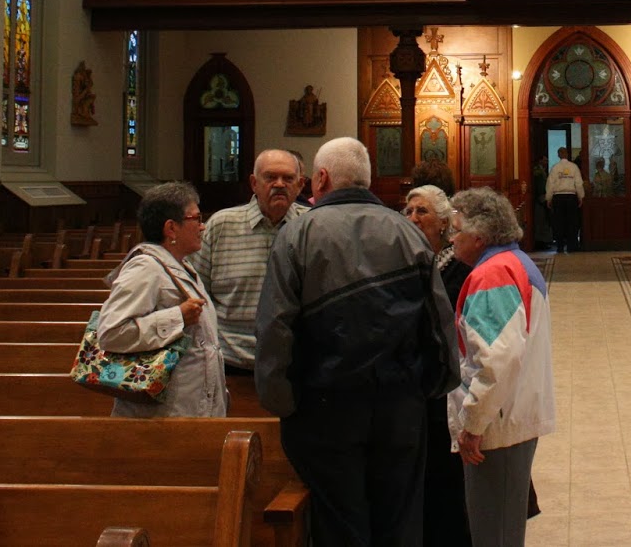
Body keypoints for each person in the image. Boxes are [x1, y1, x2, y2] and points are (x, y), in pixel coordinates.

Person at [255, 137, 460, 547]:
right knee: (400, 522)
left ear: (322, 178)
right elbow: (439, 325)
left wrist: (284, 403)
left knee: (340, 526)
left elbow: (276, 328)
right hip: (400, 406)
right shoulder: (407, 232)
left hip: (325, 408)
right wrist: (428, 388)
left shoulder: (298, 235)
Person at [447, 188, 555, 547]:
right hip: (509, 414)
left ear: (479, 235)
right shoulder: (515, 262)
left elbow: (498, 359)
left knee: (494, 534)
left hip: (497, 423)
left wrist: (473, 424)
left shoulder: (494, 274)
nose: (451, 238)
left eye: (455, 229)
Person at [99, 181, 227, 417]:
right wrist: (177, 316)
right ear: (171, 228)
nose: (202, 226)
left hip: (188, 407)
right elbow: (111, 332)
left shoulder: (181, 264)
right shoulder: (145, 267)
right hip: (160, 416)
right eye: (196, 219)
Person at [187, 148, 309, 375]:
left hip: (293, 363)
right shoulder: (222, 225)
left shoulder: (311, 226)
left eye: (288, 178)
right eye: (271, 177)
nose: (280, 184)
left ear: (301, 185)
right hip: (230, 361)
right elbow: (197, 291)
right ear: (254, 183)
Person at [404, 185, 474, 547]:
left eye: (422, 212)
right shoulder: (404, 260)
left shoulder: (459, 267)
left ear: (444, 223)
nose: (413, 218)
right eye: (409, 211)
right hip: (414, 386)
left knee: (447, 478)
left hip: (447, 385)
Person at [544, 147, 584, 253]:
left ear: (558, 155)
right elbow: (579, 184)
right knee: (572, 222)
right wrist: (580, 197)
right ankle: (572, 246)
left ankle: (560, 247)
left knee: (558, 223)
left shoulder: (555, 168)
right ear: (567, 154)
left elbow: (550, 184)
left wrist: (549, 198)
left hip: (558, 197)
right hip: (571, 197)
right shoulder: (574, 167)